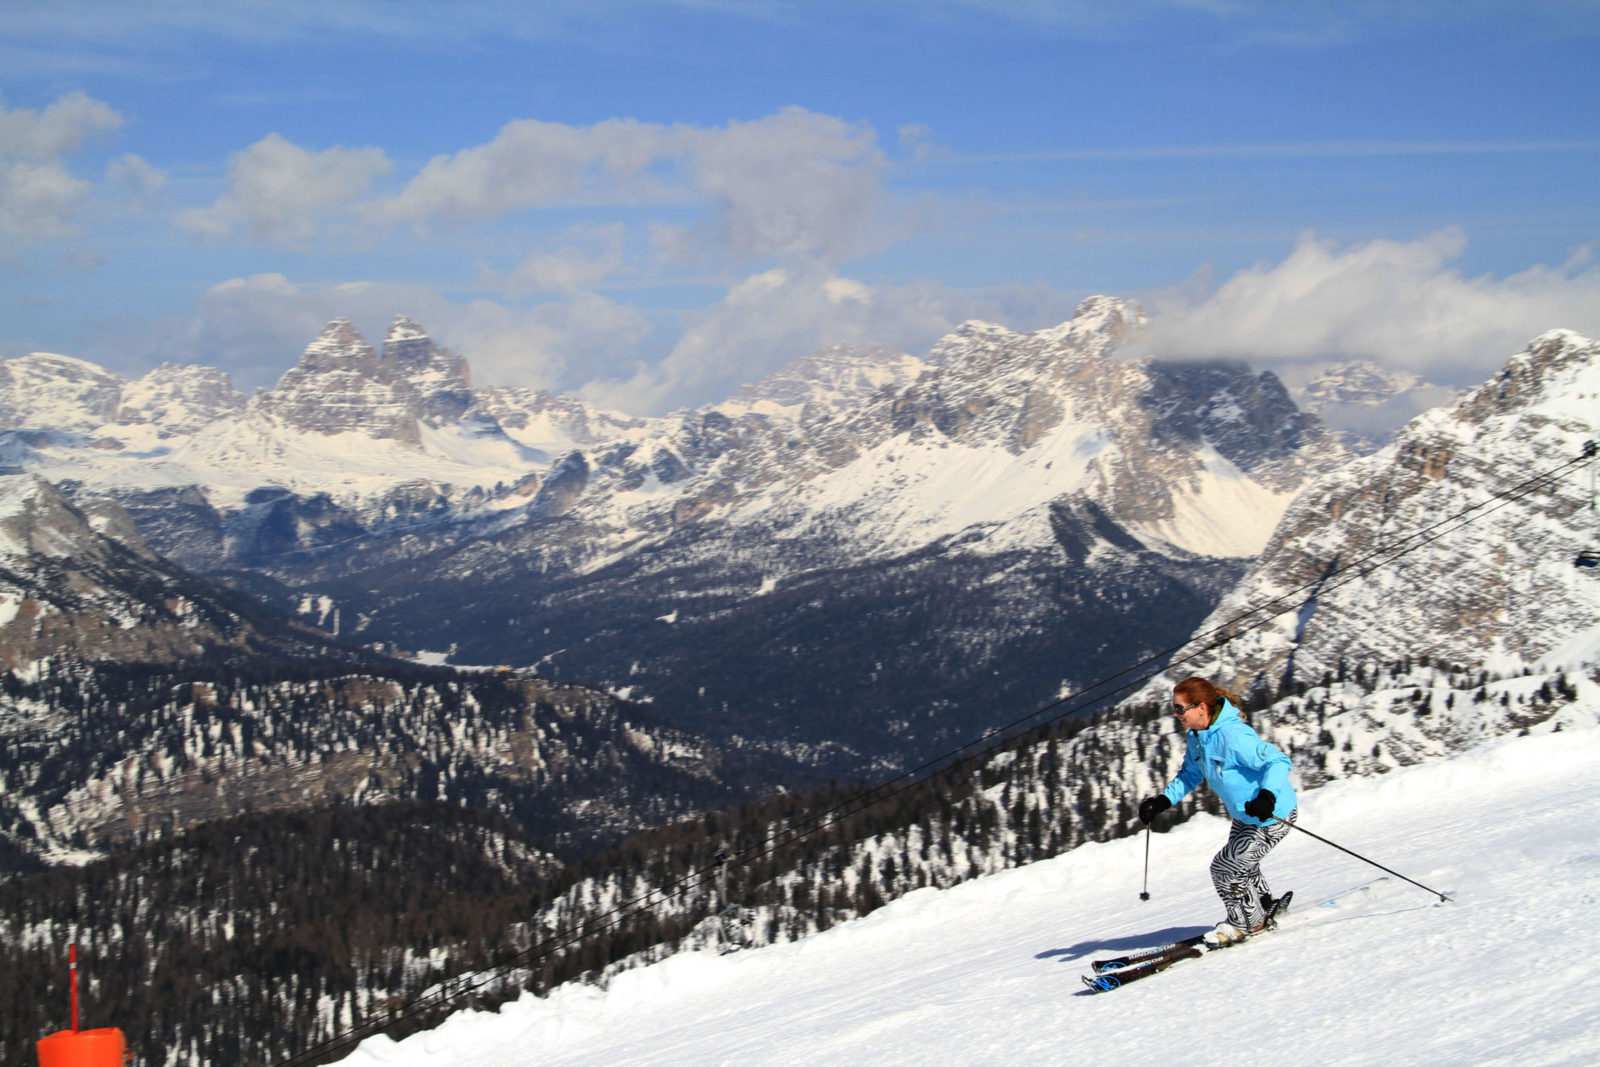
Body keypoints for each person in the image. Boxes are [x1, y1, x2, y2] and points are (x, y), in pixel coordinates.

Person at [1137, 676, 1298, 947]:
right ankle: (1261, 903)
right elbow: (1190, 774)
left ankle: (1248, 922)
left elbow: (1278, 761)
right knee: (1241, 862)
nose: (1176, 714)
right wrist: (1163, 801)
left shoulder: (1233, 736)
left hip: (1271, 815)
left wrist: (1267, 796)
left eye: (1180, 708)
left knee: (1225, 868)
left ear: (1201, 707)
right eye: (1174, 708)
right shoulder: (1198, 738)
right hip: (1245, 815)